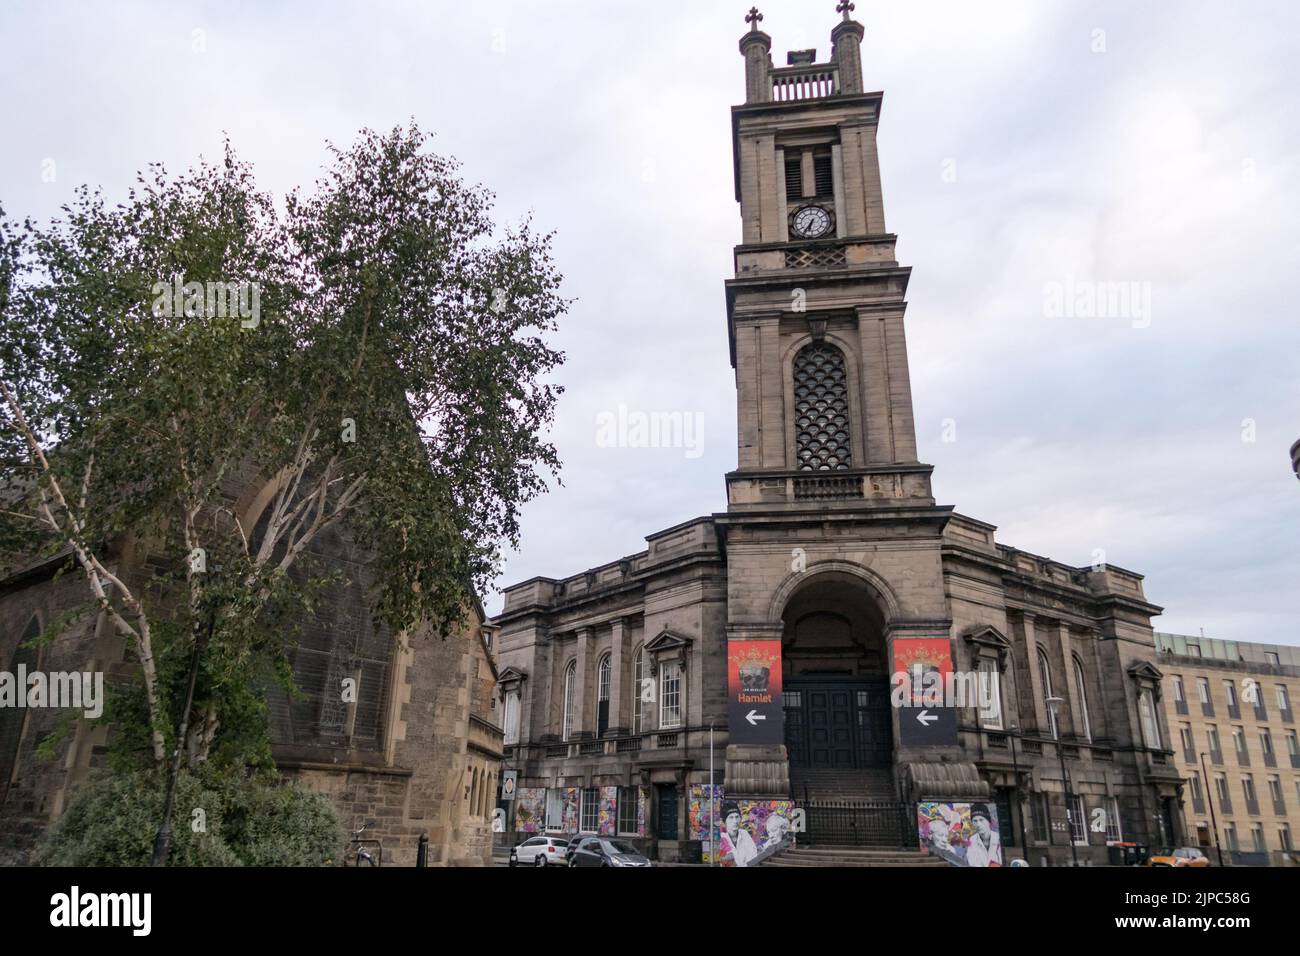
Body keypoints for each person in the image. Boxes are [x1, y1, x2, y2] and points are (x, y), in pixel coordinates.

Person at [718, 801, 758, 867]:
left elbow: (753, 857)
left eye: (737, 817)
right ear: (724, 821)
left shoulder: (744, 834)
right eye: (731, 817)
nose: (735, 821)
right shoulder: (721, 838)